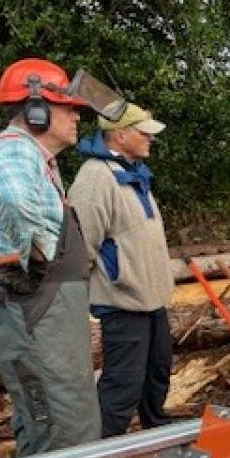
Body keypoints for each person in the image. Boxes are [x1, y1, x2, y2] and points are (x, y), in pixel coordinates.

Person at [0, 58, 127, 458]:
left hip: (40, 306)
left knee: (44, 424)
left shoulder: (34, 157)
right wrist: (30, 252)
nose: (76, 119)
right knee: (66, 421)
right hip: (33, 305)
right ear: (36, 108)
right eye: (68, 109)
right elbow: (15, 202)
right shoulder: (16, 152)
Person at [70, 104, 174, 438]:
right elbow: (81, 244)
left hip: (151, 299)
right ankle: (100, 451)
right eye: (144, 133)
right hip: (122, 300)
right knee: (123, 384)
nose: (150, 140)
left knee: (156, 374)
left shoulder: (133, 172)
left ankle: (155, 433)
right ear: (120, 134)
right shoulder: (95, 177)